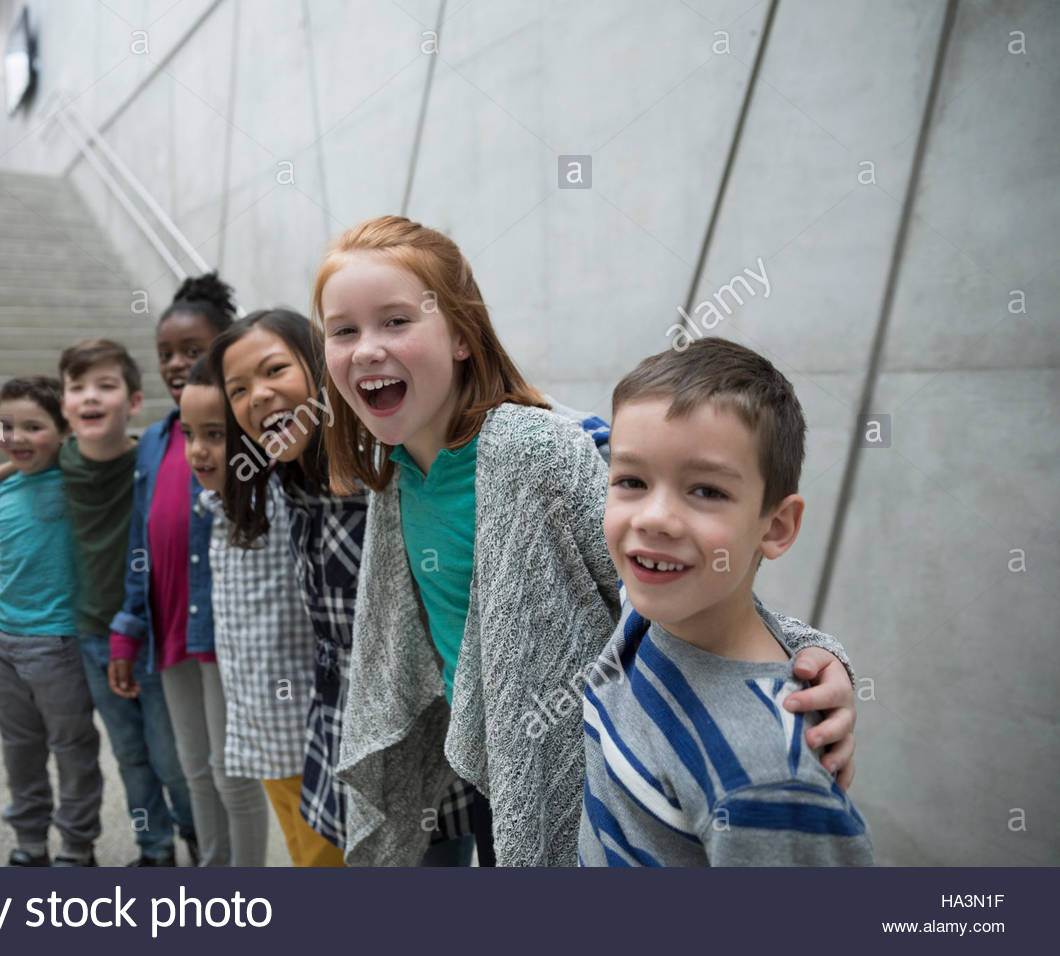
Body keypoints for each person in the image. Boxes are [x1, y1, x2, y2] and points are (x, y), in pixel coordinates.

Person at [314, 215, 859, 865]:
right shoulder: (395, 471)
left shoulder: (533, 450)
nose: (367, 348)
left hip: (583, 771)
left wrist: (807, 651)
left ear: (462, 335)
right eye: (343, 331)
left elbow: (664, 572)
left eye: (396, 321)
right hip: (478, 756)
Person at [580, 338, 873, 866]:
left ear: (777, 526)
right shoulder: (649, 609)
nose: (653, 518)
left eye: (706, 491)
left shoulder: (769, 781)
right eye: (632, 481)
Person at [208, 309, 476, 867]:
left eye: (274, 370)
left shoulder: (383, 471)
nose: (257, 395)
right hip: (338, 719)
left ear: (321, 369)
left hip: (418, 725)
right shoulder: (289, 484)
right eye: (237, 389)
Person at [0, 339, 196, 866]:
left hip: (112, 637)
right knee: (80, 754)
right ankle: (122, 847)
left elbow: (133, 448)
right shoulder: (34, 475)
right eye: (78, 388)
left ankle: (170, 840)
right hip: (47, 637)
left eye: (32, 427)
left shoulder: (115, 464)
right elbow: (13, 526)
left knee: (146, 757)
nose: (16, 439)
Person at [108, 276, 266, 866]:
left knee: (233, 774)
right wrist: (128, 624)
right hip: (168, 628)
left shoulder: (244, 431)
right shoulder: (152, 440)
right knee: (195, 768)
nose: (177, 364)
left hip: (225, 635)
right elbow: (138, 538)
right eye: (166, 355)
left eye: (192, 350)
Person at [179, 356, 318, 865]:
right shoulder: (217, 507)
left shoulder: (285, 501)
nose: (197, 450)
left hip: (306, 734)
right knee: (304, 855)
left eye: (214, 433)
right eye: (188, 433)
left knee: (325, 858)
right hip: (260, 733)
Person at [0, 376, 102, 867]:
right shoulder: (6, 489)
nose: (16, 438)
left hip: (57, 643)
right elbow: (3, 555)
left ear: (65, 429)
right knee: (19, 747)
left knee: (73, 749)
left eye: (33, 426)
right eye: (5, 427)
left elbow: (113, 448)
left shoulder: (79, 478)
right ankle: (30, 839)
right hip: (1, 639)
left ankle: (76, 844)